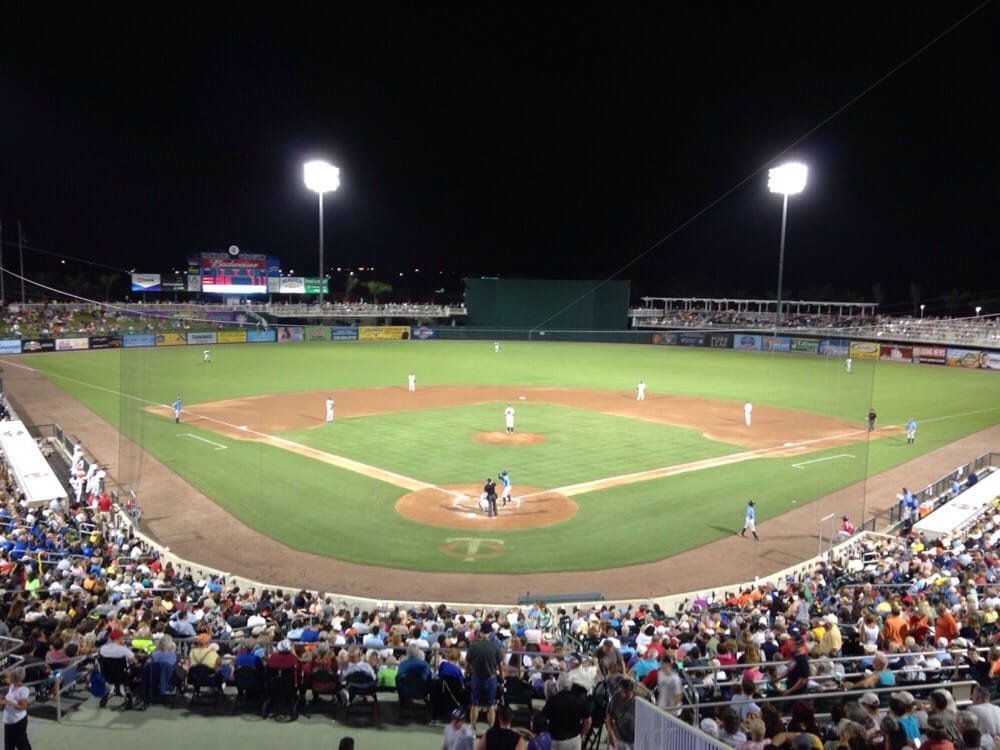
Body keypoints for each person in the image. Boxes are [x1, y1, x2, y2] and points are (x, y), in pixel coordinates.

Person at [466, 623, 504, 735]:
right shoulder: (495, 647)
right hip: (491, 679)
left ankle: (472, 728)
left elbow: (468, 665)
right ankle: (491, 730)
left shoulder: (473, 646)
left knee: (474, 704)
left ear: (480, 632)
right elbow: (501, 666)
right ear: (490, 633)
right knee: (490, 705)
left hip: (476, 678)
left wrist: (466, 675)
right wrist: (501, 678)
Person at [542, 672, 591, 749]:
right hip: (574, 740)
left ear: (558, 685)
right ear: (571, 685)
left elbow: (544, 719)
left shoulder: (552, 701)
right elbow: (588, 721)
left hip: (556, 740)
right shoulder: (580, 701)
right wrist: (581, 734)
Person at [1, 667, 31, 750]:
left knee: (22, 744)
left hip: (18, 722)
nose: (9, 678)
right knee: (8, 745)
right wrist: (4, 699)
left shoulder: (23, 690)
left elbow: (23, 707)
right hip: (8, 722)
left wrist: (9, 702)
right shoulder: (11, 686)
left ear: (16, 679)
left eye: (11, 676)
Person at [605, 677, 636, 750]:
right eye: (622, 691)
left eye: (626, 692)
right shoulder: (616, 697)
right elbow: (609, 716)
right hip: (618, 737)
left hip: (633, 739)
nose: (623, 694)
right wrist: (611, 733)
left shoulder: (638, 700)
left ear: (631, 690)